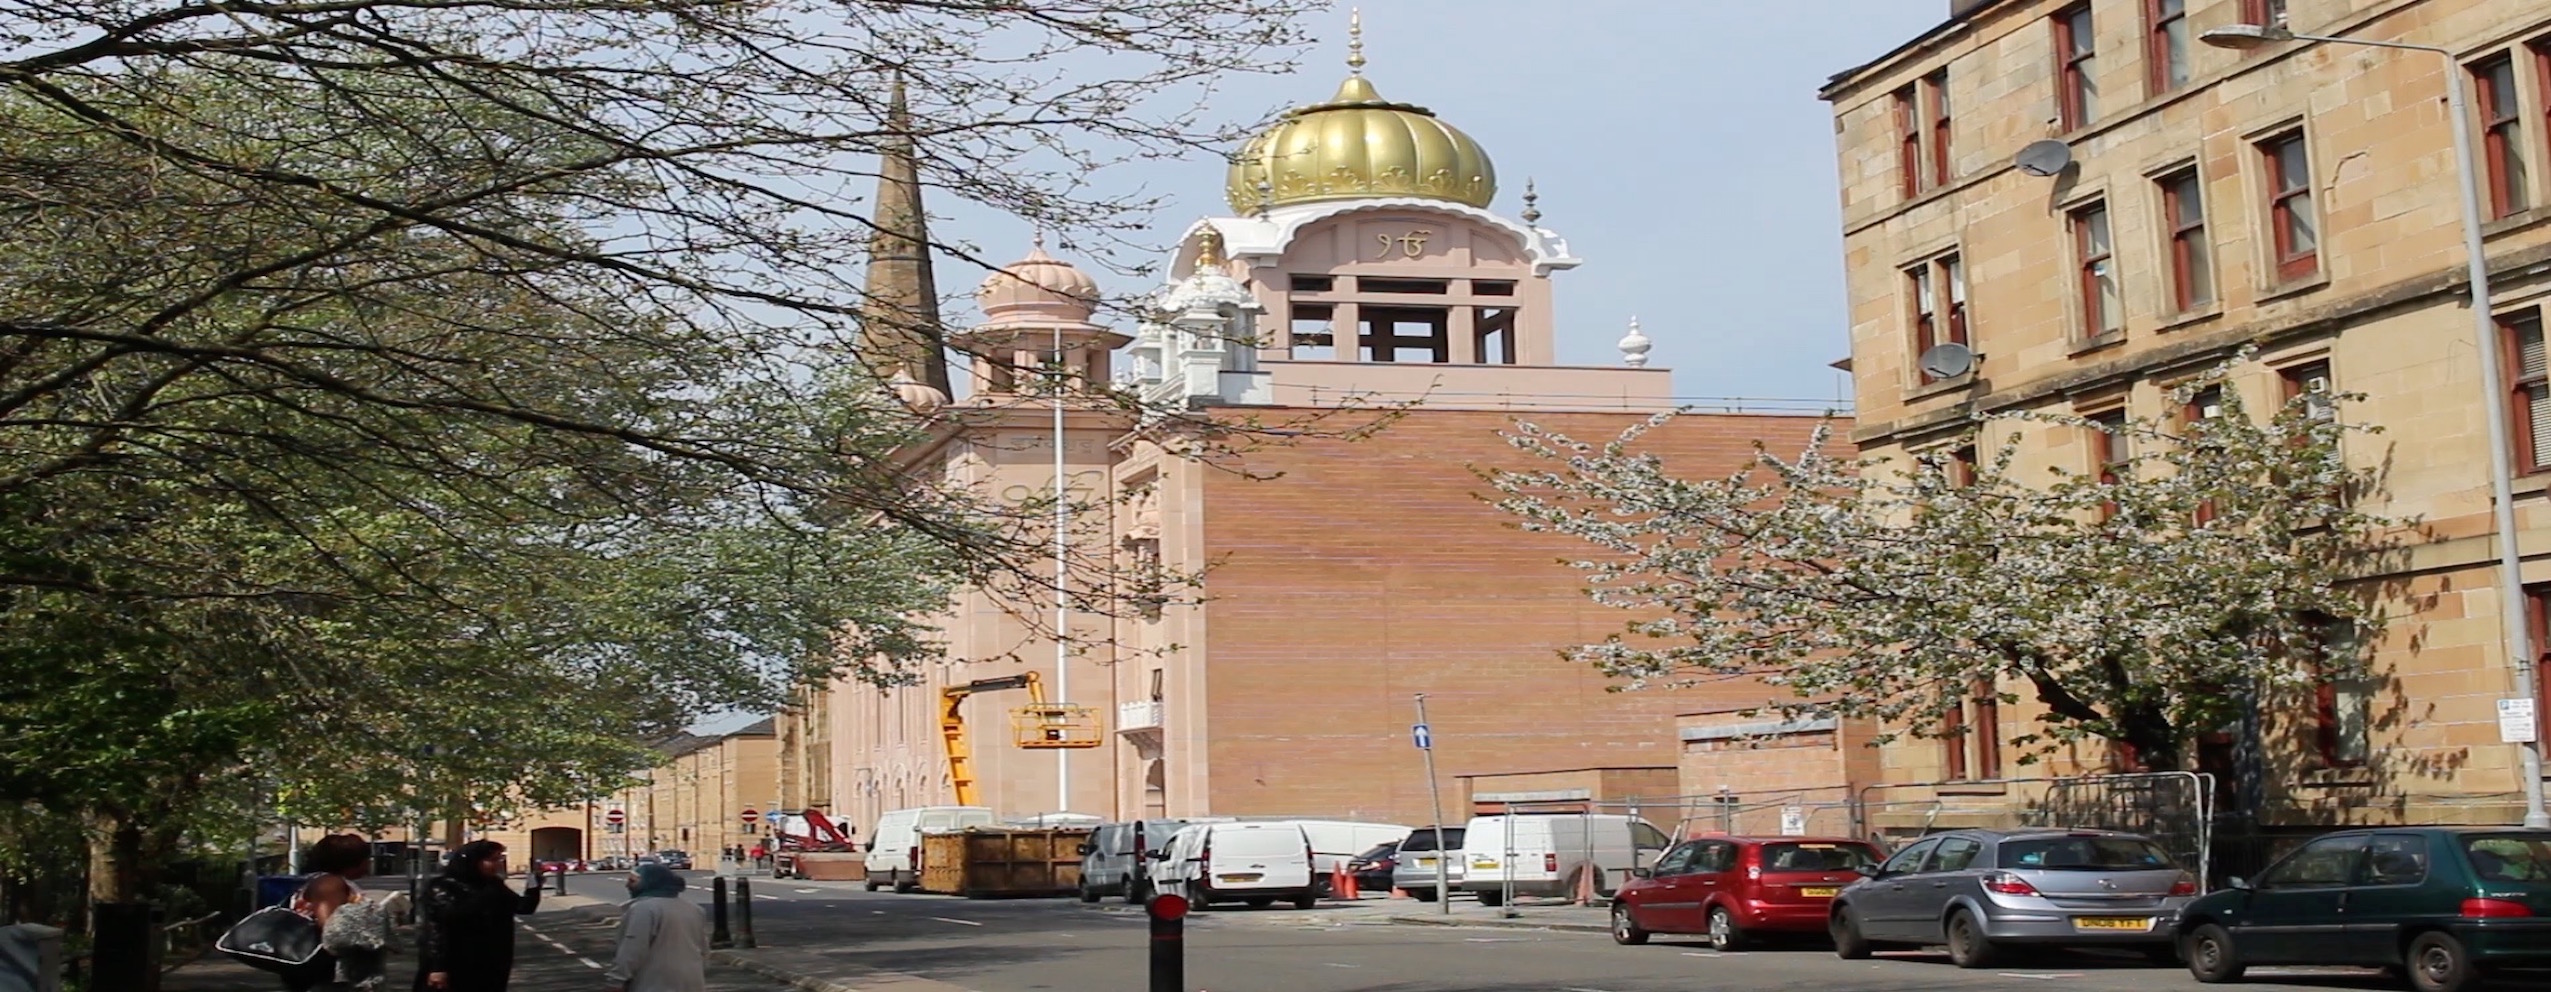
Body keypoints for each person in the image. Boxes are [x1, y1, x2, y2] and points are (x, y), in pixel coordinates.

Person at [414, 840, 542, 992]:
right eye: (492, 860)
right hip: (457, 962)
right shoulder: (444, 887)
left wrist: (533, 886)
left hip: (491, 962)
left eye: (499, 859)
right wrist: (438, 967)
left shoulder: (494, 885)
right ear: (473, 861)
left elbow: (523, 907)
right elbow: (437, 929)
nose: (498, 864)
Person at [284, 834, 374, 992]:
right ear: (352, 861)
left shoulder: (325, 881)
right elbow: (331, 928)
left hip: (324, 969)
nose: (368, 864)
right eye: (366, 858)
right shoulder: (329, 884)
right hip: (324, 970)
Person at [604, 864, 708, 992]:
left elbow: (633, 948)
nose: (627, 885)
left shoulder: (644, 909)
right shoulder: (694, 909)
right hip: (692, 983)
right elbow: (703, 949)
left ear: (649, 882)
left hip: (654, 983)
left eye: (632, 881)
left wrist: (616, 980)